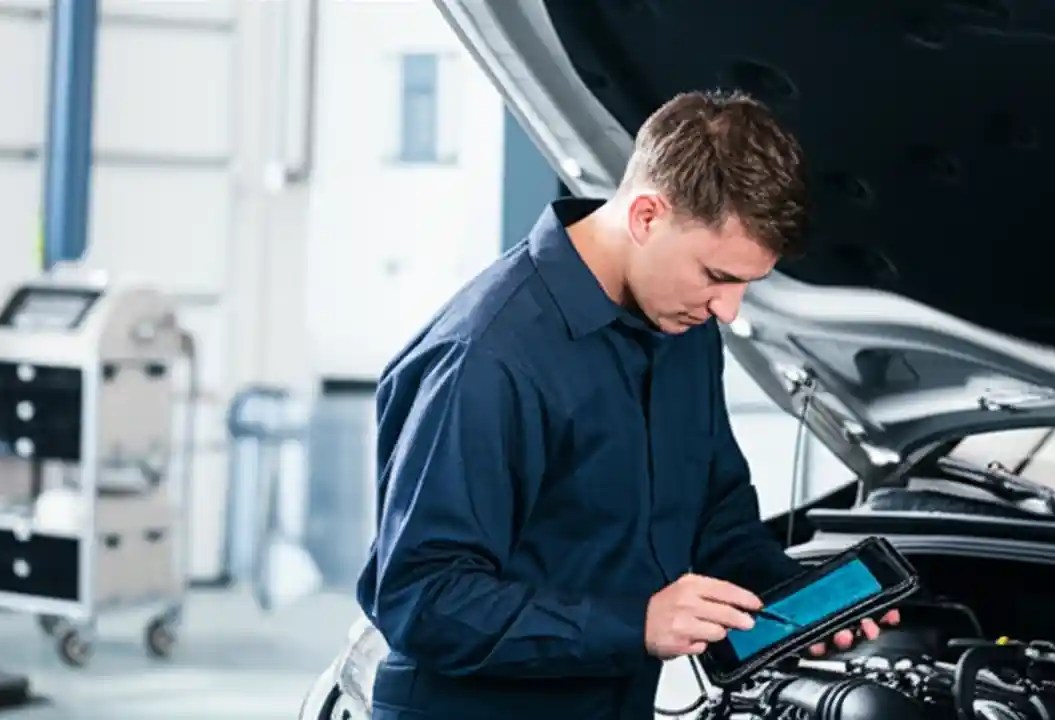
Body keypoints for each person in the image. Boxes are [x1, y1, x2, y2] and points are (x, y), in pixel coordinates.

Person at [355, 89, 899, 720]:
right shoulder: (486, 357)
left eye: (747, 285)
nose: (729, 310)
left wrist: (791, 602)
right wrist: (635, 623)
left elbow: (716, 520)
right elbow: (422, 596)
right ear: (646, 216)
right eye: (718, 276)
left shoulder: (683, 331)